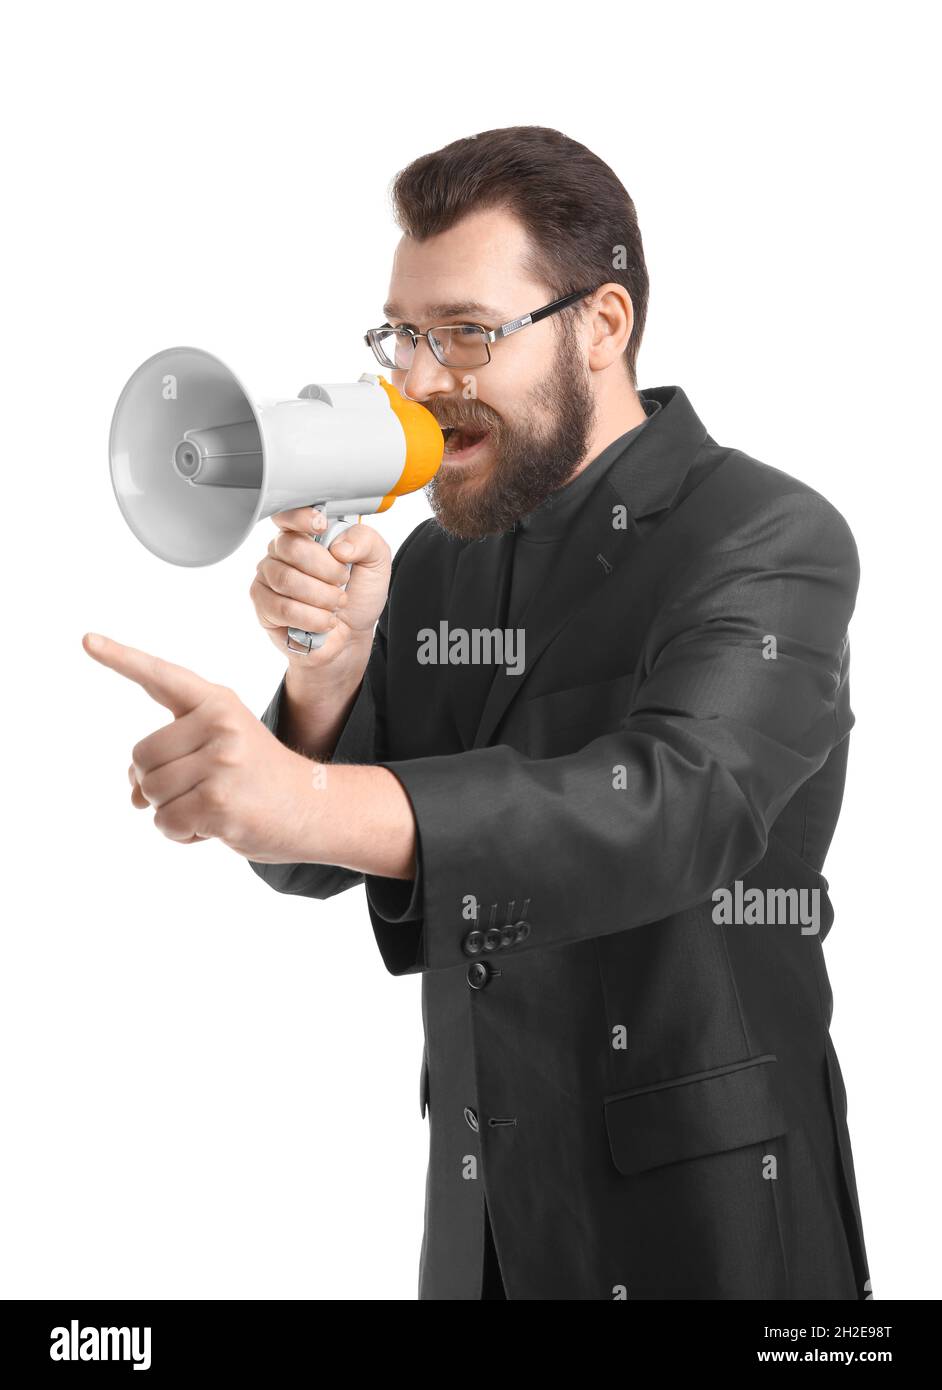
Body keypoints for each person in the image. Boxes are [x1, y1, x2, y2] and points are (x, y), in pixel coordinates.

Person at [86, 126, 871, 1301]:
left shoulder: (768, 536)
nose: (416, 378)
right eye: (403, 333)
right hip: (483, 1217)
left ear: (602, 327)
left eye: (466, 333)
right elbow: (319, 856)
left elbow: (675, 807)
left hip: (710, 1225)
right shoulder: (446, 562)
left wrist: (300, 789)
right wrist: (326, 675)